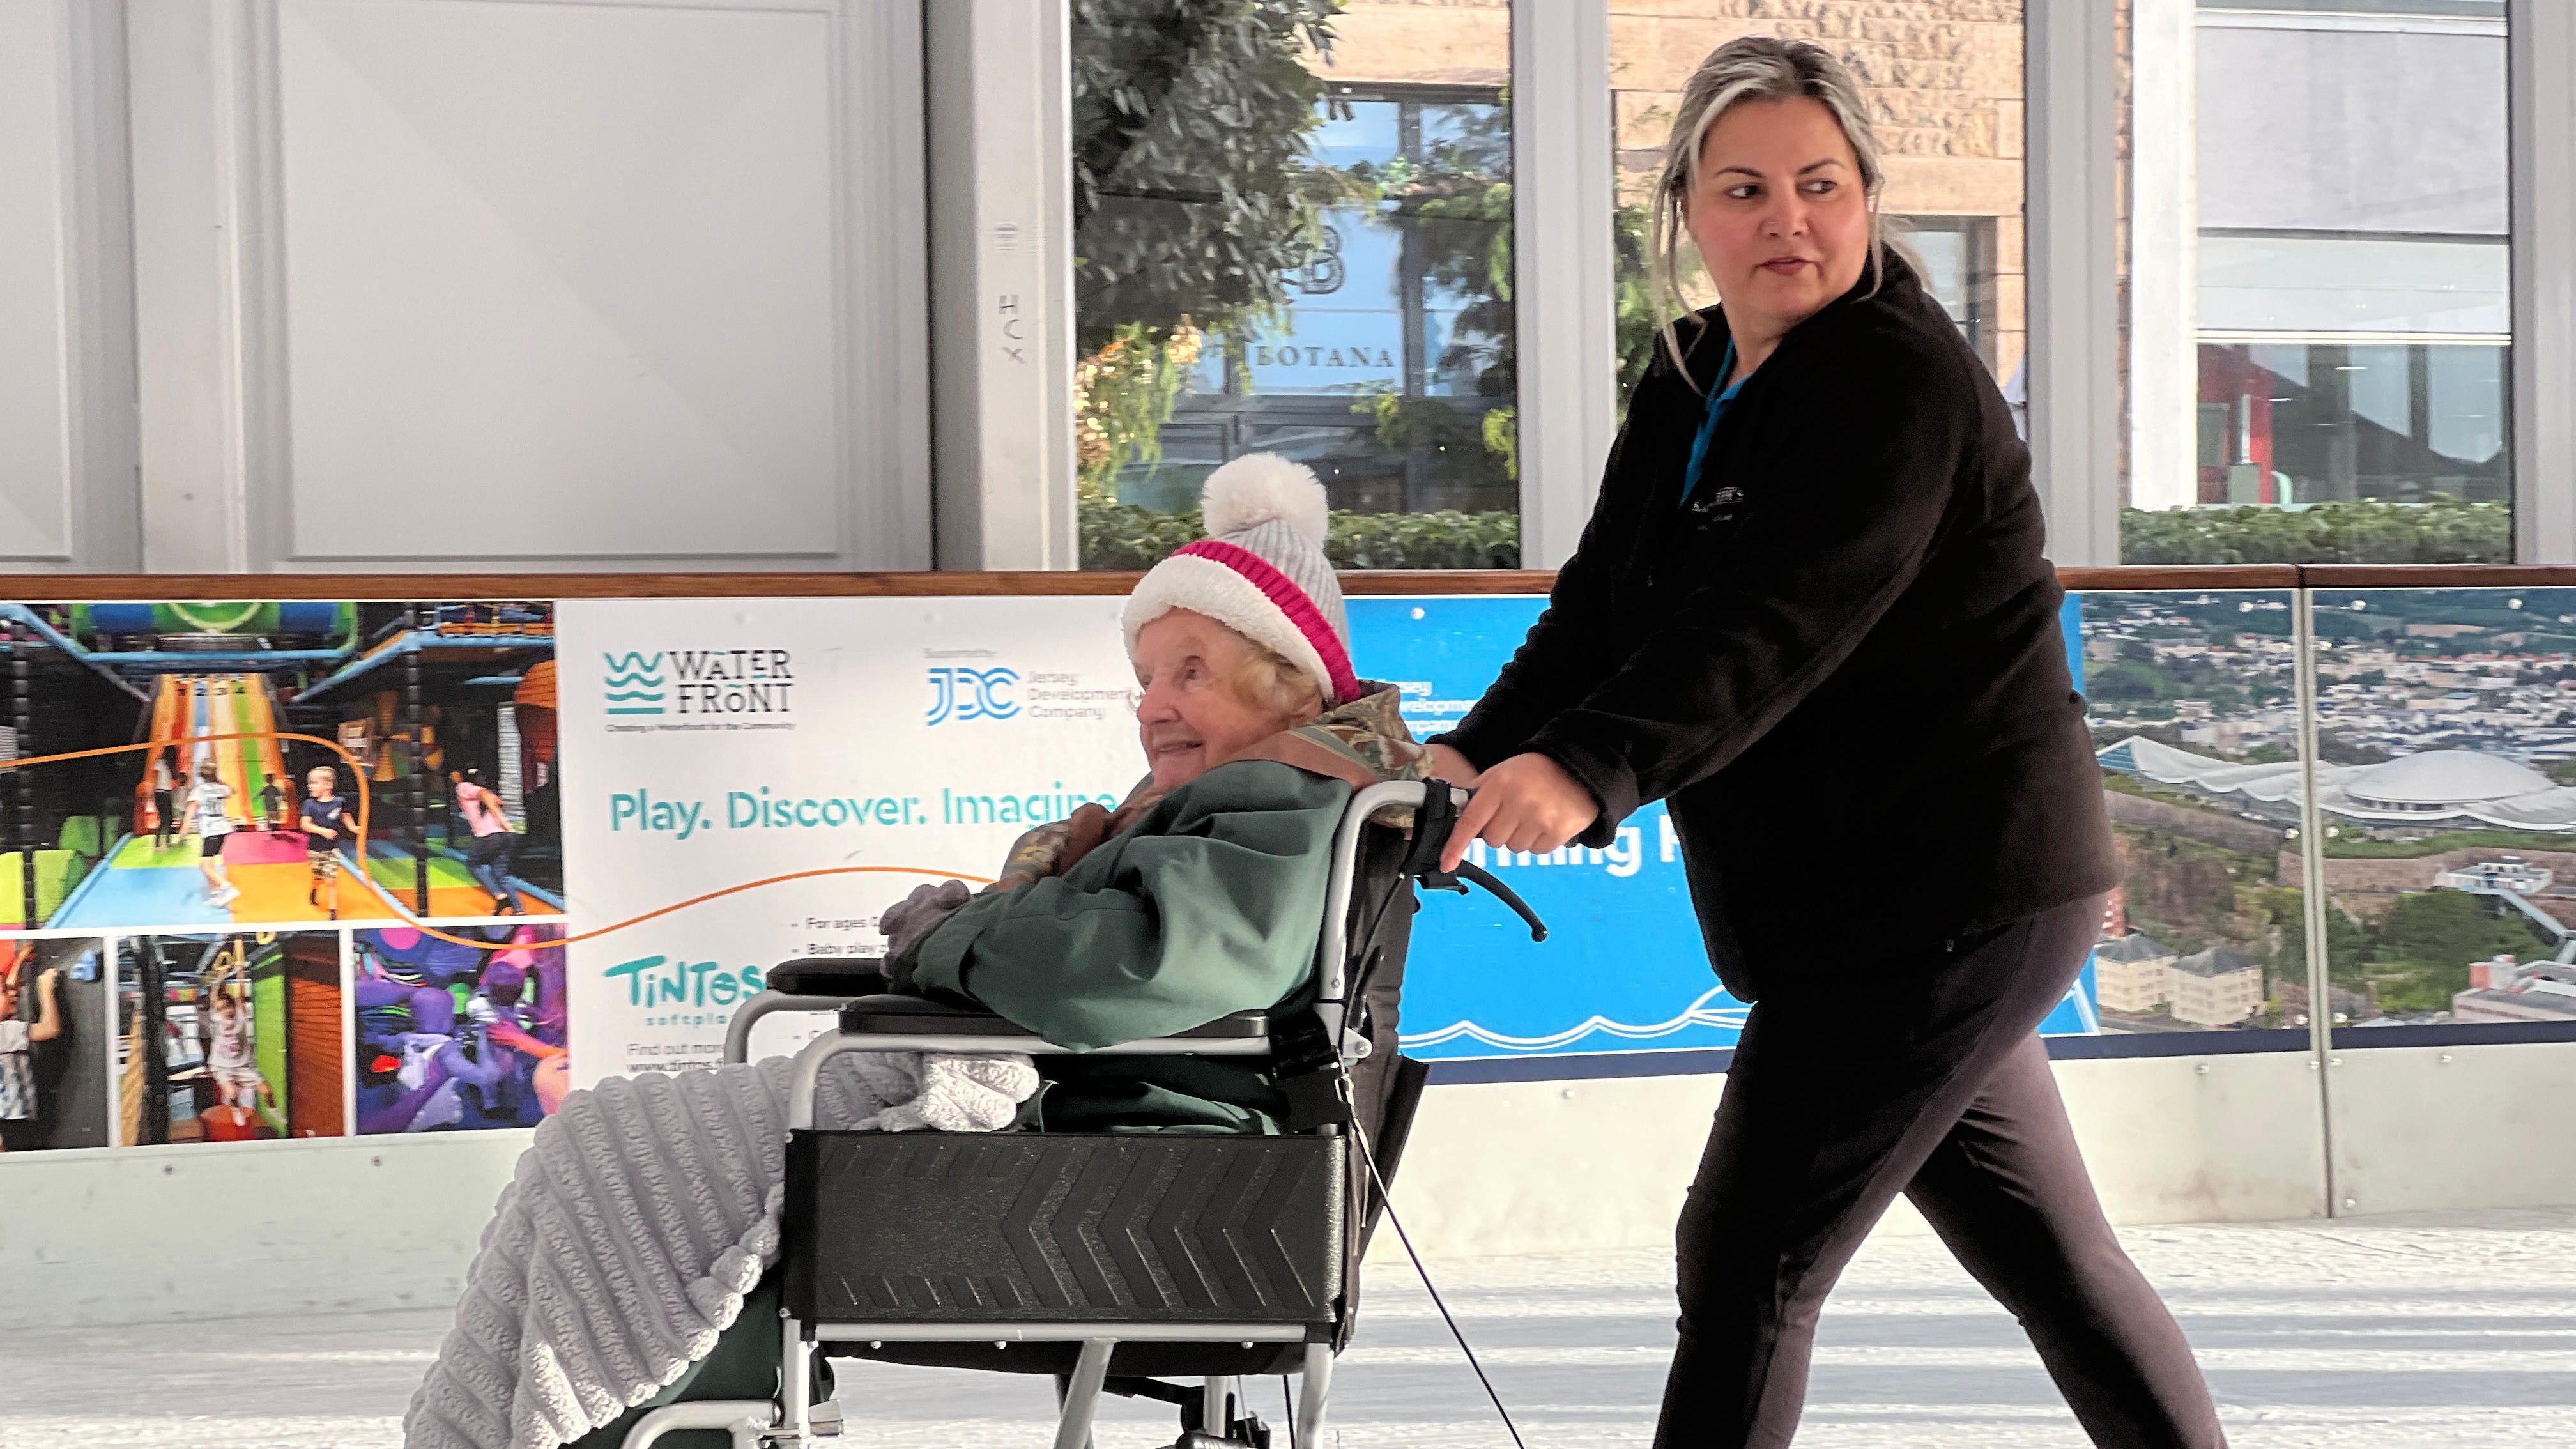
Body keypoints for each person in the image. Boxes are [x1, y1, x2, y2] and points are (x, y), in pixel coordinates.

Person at [1422, 38, 2225, 1449]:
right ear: (1686, 208)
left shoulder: (1896, 381)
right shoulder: (1688, 376)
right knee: (2052, 1261)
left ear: (1866, 197)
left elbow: (1777, 619)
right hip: (1861, 912)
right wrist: (1472, 749)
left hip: (1953, 900)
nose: (1786, 218)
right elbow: (1603, 609)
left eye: (1820, 183)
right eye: (1745, 188)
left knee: (1748, 1259)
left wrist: (1590, 772)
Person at [404, 456, 1423, 1449]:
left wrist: (948, 940)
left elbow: (1130, 966)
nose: (1154, 704)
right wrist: (962, 943)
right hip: (1089, 1127)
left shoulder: (1286, 807)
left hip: (1129, 1158)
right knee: (619, 1146)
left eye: (1192, 673)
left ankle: (631, 1425)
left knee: (624, 1151)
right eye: (1147, 677)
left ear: (1291, 682)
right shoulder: (1230, 807)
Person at [0, 963, 66, 1153]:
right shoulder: (5, 1031)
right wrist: (44, 988)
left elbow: (9, 989)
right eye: (5, 991)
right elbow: (50, 1028)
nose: (12, 994)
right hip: (15, 1123)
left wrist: (20, 960)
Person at [452, 768, 523, 914]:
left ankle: (500, 896)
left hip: (489, 836)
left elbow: (485, 796)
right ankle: (519, 910)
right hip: (507, 836)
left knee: (473, 864)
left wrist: (499, 816)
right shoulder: (486, 790)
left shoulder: (463, 787)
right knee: (499, 874)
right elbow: (498, 800)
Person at [203, 988, 271, 1128]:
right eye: (222, 1009)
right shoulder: (217, 1020)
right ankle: (236, 1110)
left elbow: (240, 998)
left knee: (267, 1090)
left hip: (241, 1065)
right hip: (221, 1066)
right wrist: (219, 978)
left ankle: (273, 1109)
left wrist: (240, 973)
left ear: (233, 1006)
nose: (226, 1011)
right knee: (232, 1093)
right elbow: (214, 999)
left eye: (228, 1007)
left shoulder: (240, 1017)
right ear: (218, 1011)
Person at [182, 758, 241, 908]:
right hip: (222, 830)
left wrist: (186, 825)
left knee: (205, 867)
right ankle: (215, 894)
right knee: (209, 863)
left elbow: (192, 807)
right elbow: (233, 791)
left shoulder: (200, 790)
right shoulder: (220, 788)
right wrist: (219, 781)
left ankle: (227, 887)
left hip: (211, 831)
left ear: (201, 775)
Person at [301, 765, 359, 918]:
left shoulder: (339, 802)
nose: (310, 786)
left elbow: (345, 816)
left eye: (314, 782)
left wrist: (353, 828)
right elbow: (305, 824)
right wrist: (323, 831)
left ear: (328, 785)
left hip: (332, 849)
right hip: (314, 850)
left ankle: (333, 912)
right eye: (310, 783)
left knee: (331, 880)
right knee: (318, 878)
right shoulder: (309, 804)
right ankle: (314, 889)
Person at [150, 751, 178, 850]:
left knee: (170, 818)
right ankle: (158, 844)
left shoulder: (167, 765)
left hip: (167, 793)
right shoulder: (160, 763)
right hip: (160, 793)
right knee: (164, 818)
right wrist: (153, 793)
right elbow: (155, 777)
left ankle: (167, 841)